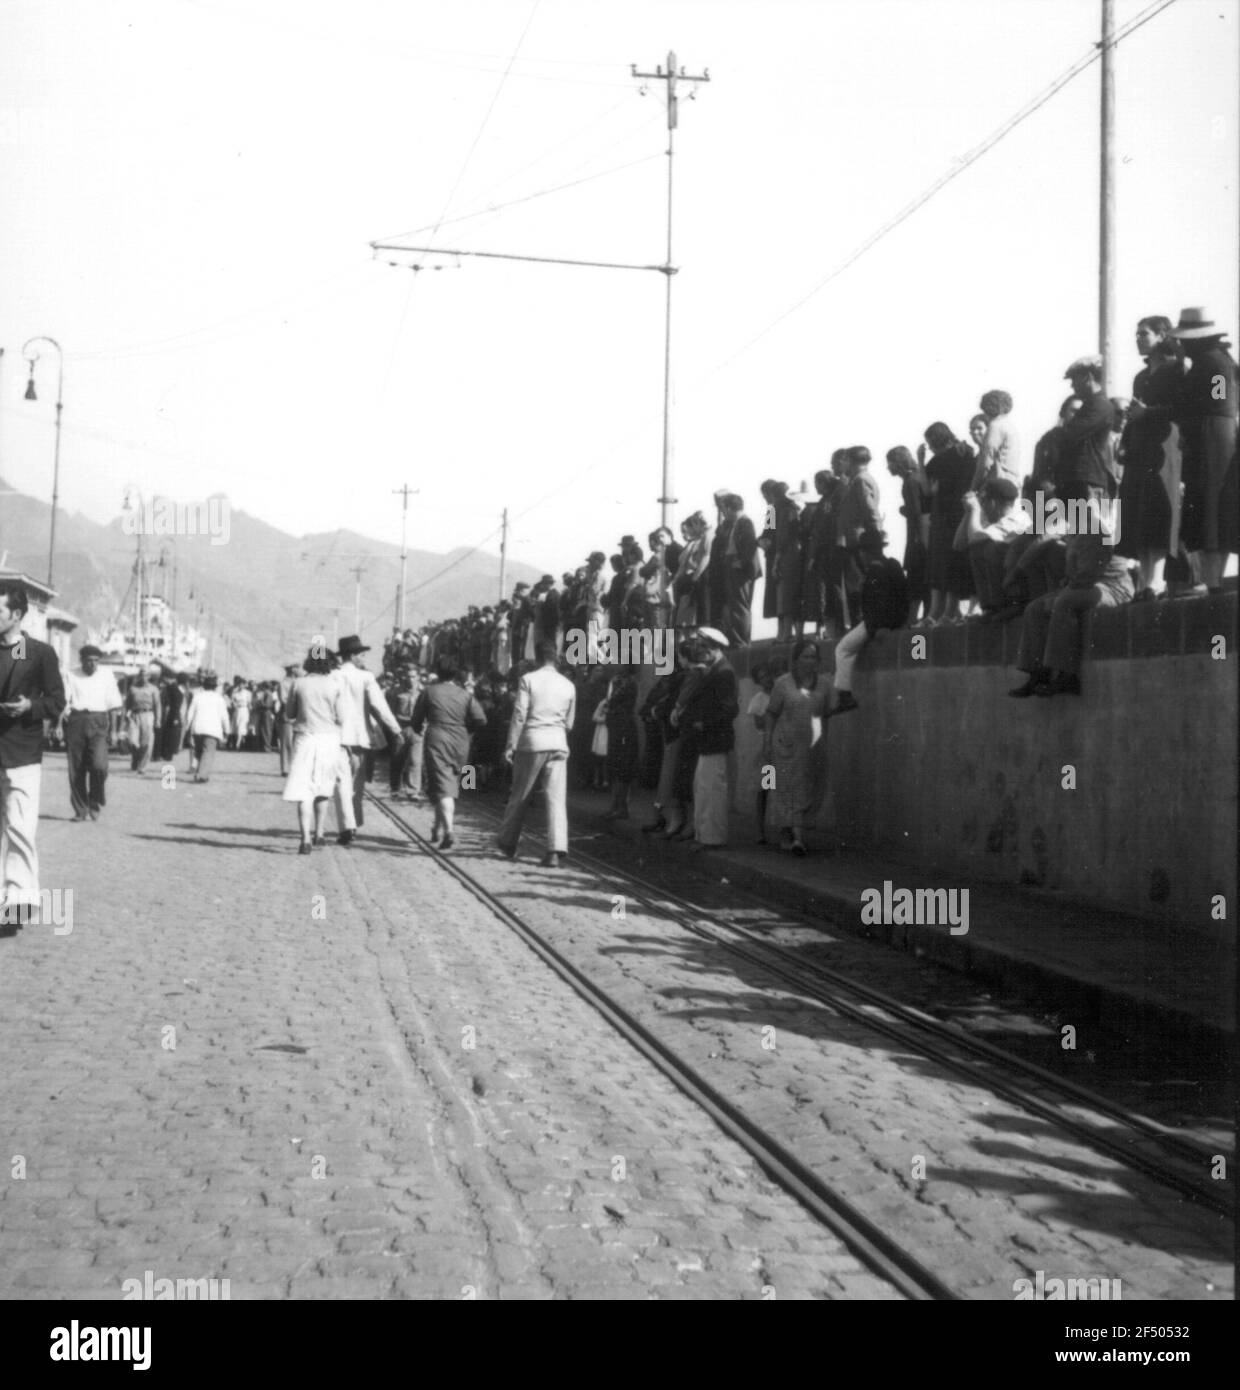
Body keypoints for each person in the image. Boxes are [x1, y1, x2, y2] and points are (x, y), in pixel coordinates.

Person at [1009, 504, 1134, 698]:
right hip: (1088, 585)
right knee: (1034, 608)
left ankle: (1068, 675)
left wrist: (1063, 591)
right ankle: (1038, 673)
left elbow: (1087, 576)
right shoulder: (1075, 529)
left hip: (1113, 588)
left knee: (1064, 602)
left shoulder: (1094, 529)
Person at [0, 581, 66, 927]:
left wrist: (30, 706)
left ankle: (18, 904)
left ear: (17, 615)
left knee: (20, 828)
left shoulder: (37, 653)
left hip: (22, 753)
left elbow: (57, 702)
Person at [1170, 307, 1238, 593]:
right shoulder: (1219, 360)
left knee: (1210, 512)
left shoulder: (1212, 363)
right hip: (1216, 436)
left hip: (1212, 438)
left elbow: (1217, 399)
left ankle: (1212, 581)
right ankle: (1212, 579)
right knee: (1212, 511)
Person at [496, 639, 577, 867]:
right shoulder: (568, 685)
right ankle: (555, 850)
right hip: (559, 743)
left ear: (537, 657)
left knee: (520, 794)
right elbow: (570, 723)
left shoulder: (528, 680)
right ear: (556, 657)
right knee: (556, 799)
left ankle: (508, 842)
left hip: (531, 742)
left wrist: (510, 744)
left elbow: (520, 714)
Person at [1117, 317, 1179, 600]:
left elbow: (1181, 409)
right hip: (1138, 451)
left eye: (1144, 334)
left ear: (1161, 335)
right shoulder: (1141, 378)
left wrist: (1149, 413)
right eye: (1137, 334)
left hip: (1162, 448)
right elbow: (1133, 414)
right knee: (1137, 516)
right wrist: (1125, 442)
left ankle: (1155, 582)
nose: (1138, 339)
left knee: (1156, 516)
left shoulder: (1174, 370)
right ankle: (1143, 583)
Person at [282, 646, 353, 853]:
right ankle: (319, 833)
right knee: (323, 788)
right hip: (329, 740)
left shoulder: (298, 684)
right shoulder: (334, 685)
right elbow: (341, 718)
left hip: (305, 738)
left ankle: (304, 839)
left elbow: (290, 714)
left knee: (304, 789)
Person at [411, 659, 487, 850]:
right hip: (461, 741)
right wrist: (465, 729)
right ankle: (436, 828)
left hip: (437, 739)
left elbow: (416, 720)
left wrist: (419, 728)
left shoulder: (429, 691)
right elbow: (481, 719)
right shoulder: (465, 694)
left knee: (442, 786)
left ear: (437, 672)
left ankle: (449, 832)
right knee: (446, 783)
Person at [335, 635, 405, 840]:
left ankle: (346, 827)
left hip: (337, 736)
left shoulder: (332, 675)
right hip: (359, 737)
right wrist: (396, 730)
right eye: (362, 655)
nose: (364, 659)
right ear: (353, 655)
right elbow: (380, 707)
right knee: (357, 783)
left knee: (341, 782)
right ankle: (354, 823)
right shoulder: (366, 677)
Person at [765, 639, 830, 856]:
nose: (810, 661)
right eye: (806, 656)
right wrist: (767, 743)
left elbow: (825, 715)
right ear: (796, 659)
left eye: (814, 657)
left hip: (811, 747)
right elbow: (771, 713)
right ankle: (794, 837)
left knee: (806, 789)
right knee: (786, 789)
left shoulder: (823, 684)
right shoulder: (783, 683)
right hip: (785, 745)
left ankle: (796, 833)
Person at [675, 627, 738, 851]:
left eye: (703, 647)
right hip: (707, 741)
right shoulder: (716, 669)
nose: (699, 651)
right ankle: (704, 835)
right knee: (703, 788)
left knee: (712, 790)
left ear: (714, 647)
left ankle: (712, 838)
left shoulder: (724, 673)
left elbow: (730, 709)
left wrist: (705, 722)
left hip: (715, 740)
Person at [831, 556, 910, 714]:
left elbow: (877, 603)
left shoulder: (874, 572)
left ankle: (845, 694)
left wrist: (877, 628)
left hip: (877, 622)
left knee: (842, 649)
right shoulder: (892, 565)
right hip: (895, 619)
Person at [60, 644, 122, 821]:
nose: (92, 665)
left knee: (99, 765)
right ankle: (80, 809)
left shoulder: (106, 675)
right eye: (89, 661)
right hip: (76, 721)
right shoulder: (71, 674)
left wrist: (116, 731)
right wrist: (57, 725)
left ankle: (95, 798)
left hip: (99, 720)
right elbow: (64, 702)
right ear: (82, 661)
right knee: (76, 767)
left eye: (96, 661)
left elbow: (114, 705)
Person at [922, 422, 976, 625]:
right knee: (946, 564)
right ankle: (944, 611)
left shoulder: (947, 458)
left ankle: (948, 611)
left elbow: (928, 490)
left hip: (949, 515)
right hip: (951, 514)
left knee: (948, 564)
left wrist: (920, 461)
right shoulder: (963, 453)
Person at [709, 492, 760, 647]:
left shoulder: (745, 522)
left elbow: (750, 544)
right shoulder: (733, 524)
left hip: (740, 570)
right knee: (734, 606)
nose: (723, 512)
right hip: (731, 567)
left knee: (740, 607)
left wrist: (742, 562)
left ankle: (741, 641)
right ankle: (737, 638)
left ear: (731, 508)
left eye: (724, 508)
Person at [888, 446, 931, 625]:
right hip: (923, 535)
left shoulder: (910, 481)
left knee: (916, 580)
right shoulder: (918, 477)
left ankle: (912, 620)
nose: (888, 467)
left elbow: (916, 513)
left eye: (890, 463)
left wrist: (920, 541)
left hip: (918, 538)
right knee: (923, 580)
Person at [602, 665, 640, 821]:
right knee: (617, 766)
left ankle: (620, 806)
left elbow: (612, 700)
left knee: (622, 767)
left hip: (623, 726)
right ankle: (616, 806)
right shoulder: (621, 680)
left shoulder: (627, 682)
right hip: (617, 725)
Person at [747, 661, 776, 845]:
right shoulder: (758, 700)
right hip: (768, 748)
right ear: (758, 681)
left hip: (784, 746)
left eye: (768, 675)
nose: (767, 679)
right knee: (765, 789)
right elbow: (759, 724)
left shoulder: (781, 692)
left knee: (782, 789)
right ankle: (760, 829)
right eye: (762, 677)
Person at [970, 390, 1022, 491]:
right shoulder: (1009, 426)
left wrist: (973, 488)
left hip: (998, 483)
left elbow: (986, 462)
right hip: (1011, 480)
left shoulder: (995, 426)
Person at [186, 672, 230, 781]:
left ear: (204, 686)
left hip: (197, 728)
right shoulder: (219, 699)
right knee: (208, 752)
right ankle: (202, 775)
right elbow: (224, 716)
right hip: (212, 729)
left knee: (199, 751)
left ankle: (199, 771)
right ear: (215, 687)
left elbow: (190, 714)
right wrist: (227, 730)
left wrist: (187, 728)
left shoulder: (197, 696)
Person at [124, 668, 161, 775]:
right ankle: (135, 759)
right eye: (141, 675)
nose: (143, 677)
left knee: (146, 742)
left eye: (145, 675)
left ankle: (142, 766)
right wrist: (125, 717)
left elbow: (157, 705)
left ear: (149, 677)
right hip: (134, 715)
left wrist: (158, 719)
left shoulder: (154, 689)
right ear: (138, 676)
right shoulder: (133, 689)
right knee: (132, 741)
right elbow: (127, 705)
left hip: (148, 715)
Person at [277, 663, 301, 775]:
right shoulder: (283, 683)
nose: (298, 669)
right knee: (287, 742)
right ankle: (285, 768)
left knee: (295, 743)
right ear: (291, 669)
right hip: (287, 715)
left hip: (298, 716)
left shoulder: (298, 681)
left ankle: (294, 766)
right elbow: (284, 699)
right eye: (296, 667)